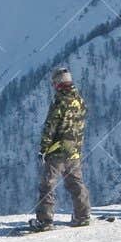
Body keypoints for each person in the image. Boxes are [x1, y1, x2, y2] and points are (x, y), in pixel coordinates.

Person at [29, 66, 91, 230]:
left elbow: (50, 127)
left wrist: (43, 149)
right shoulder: (80, 100)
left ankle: (45, 220)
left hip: (57, 150)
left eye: (54, 83)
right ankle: (82, 216)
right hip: (74, 151)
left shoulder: (60, 101)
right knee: (75, 183)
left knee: (47, 185)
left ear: (58, 83)